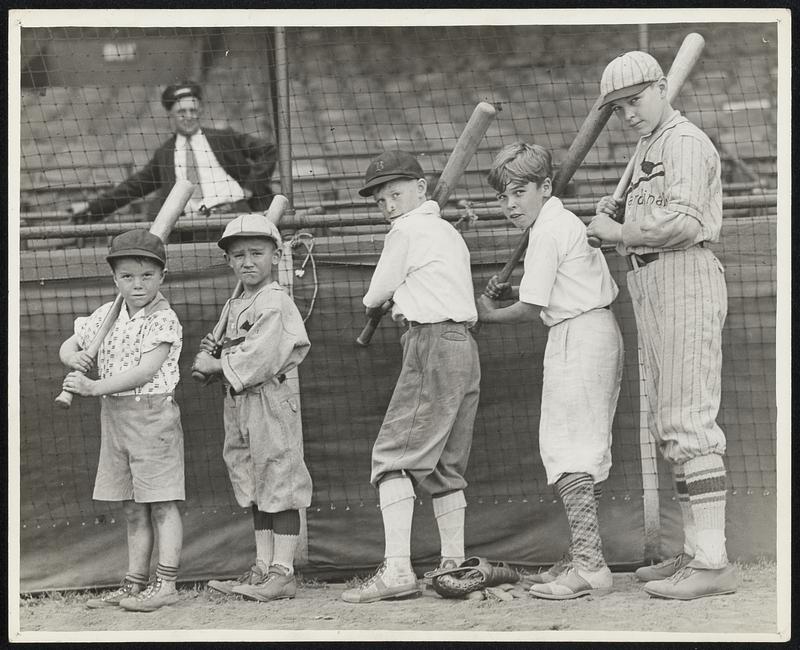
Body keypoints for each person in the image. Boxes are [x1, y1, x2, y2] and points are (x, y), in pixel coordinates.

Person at [586, 50, 737, 600]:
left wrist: (619, 231)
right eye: (618, 108)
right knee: (670, 424)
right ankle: (696, 551)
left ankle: (714, 561)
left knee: (690, 420)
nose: (628, 114)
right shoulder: (649, 144)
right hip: (650, 280)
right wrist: (620, 215)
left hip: (684, 275)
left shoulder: (684, 142)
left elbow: (684, 222)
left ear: (660, 87)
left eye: (635, 100)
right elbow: (654, 213)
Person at [477, 142, 623, 600]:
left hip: (578, 336)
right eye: (503, 196)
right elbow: (544, 290)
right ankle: (584, 556)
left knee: (569, 449)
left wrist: (485, 314)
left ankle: (591, 568)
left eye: (519, 192)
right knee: (582, 448)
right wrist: (511, 292)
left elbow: (529, 309)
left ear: (545, 187)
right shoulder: (558, 222)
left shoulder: (547, 231)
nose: (510, 204)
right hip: (590, 330)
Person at [341, 150, 481, 604]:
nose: (388, 205)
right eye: (380, 199)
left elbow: (374, 295)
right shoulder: (447, 231)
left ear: (422, 188)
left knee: (393, 457)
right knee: (444, 465)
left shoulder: (405, 230)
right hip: (463, 346)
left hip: (431, 341)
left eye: (395, 193)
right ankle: (453, 564)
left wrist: (390, 294)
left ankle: (398, 571)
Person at [59, 229, 185, 612]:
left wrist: (92, 386)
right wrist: (72, 358)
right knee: (131, 506)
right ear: (115, 278)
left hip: (152, 416)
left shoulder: (163, 319)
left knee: (161, 503)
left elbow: (145, 371)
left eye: (147, 275)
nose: (137, 284)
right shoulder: (106, 314)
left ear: (162, 276)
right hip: (114, 419)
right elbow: (70, 344)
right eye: (127, 276)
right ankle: (134, 584)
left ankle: (167, 585)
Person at [191, 213, 312, 602]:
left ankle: (283, 571)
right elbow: (231, 353)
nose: (247, 262)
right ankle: (262, 567)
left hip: (269, 400)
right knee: (255, 484)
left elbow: (260, 356)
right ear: (228, 260)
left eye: (257, 253)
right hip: (240, 401)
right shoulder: (237, 301)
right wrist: (213, 358)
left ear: (275, 256)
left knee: (279, 482)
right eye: (239, 255)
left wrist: (217, 365)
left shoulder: (275, 300)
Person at [72, 82, 277, 223]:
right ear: (171, 114)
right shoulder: (165, 154)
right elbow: (132, 187)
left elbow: (268, 151)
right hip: (191, 226)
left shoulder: (224, 137)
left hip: (235, 216)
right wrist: (91, 210)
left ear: (200, 111)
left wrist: (250, 187)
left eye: (193, 110)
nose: (188, 116)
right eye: (181, 112)